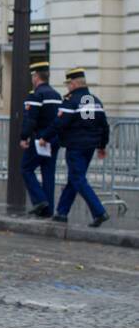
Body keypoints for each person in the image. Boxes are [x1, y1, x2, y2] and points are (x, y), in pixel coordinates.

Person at [40, 66, 110, 227]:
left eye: (68, 84)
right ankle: (62, 212)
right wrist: (102, 145)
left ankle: (99, 212)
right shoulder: (95, 101)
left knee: (78, 179)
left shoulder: (71, 101)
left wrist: (45, 137)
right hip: (90, 147)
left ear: (73, 84)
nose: (67, 87)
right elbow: (104, 126)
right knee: (74, 179)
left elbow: (59, 123)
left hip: (75, 147)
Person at [18, 62, 61, 217]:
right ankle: (47, 210)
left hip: (39, 139)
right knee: (48, 173)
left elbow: (31, 119)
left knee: (26, 168)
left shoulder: (36, 94)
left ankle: (40, 200)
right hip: (53, 139)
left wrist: (24, 137)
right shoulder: (57, 95)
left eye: (32, 76)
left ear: (36, 76)